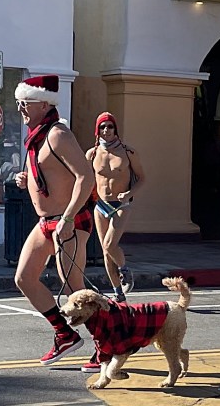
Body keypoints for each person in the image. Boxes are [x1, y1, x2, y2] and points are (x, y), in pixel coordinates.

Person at [10, 74, 97, 365]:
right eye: (20, 103)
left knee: (74, 286)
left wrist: (69, 218)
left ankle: (107, 343)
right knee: (24, 278)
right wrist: (27, 180)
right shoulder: (36, 137)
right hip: (46, 221)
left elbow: (86, 177)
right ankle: (65, 334)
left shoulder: (58, 134)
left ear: (45, 105)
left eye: (26, 103)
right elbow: (51, 174)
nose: (21, 108)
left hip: (68, 220)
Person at [85, 112, 146, 303]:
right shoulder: (92, 153)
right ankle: (118, 292)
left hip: (121, 204)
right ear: (98, 130)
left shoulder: (128, 152)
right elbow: (84, 180)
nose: (106, 131)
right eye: (102, 127)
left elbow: (142, 178)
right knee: (106, 252)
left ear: (115, 129)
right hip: (101, 205)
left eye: (110, 126)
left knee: (109, 244)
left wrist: (128, 194)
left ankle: (125, 271)